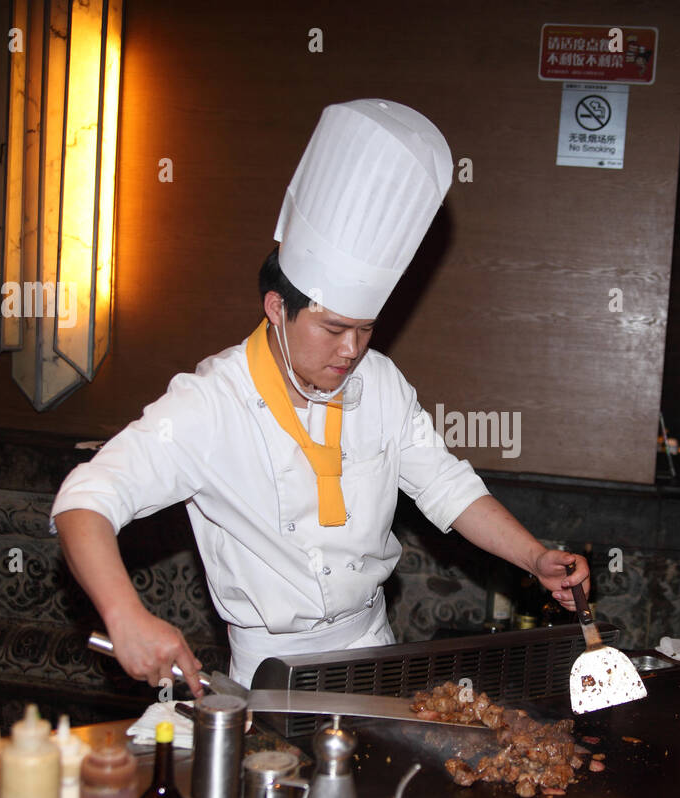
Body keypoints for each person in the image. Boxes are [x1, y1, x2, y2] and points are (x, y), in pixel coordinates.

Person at [50, 99, 588, 693]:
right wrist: (125, 615)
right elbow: (85, 501)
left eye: (366, 329)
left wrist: (536, 558)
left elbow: (445, 485)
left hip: (376, 653)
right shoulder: (210, 405)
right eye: (333, 329)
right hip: (272, 672)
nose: (352, 350)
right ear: (278, 308)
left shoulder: (380, 383)